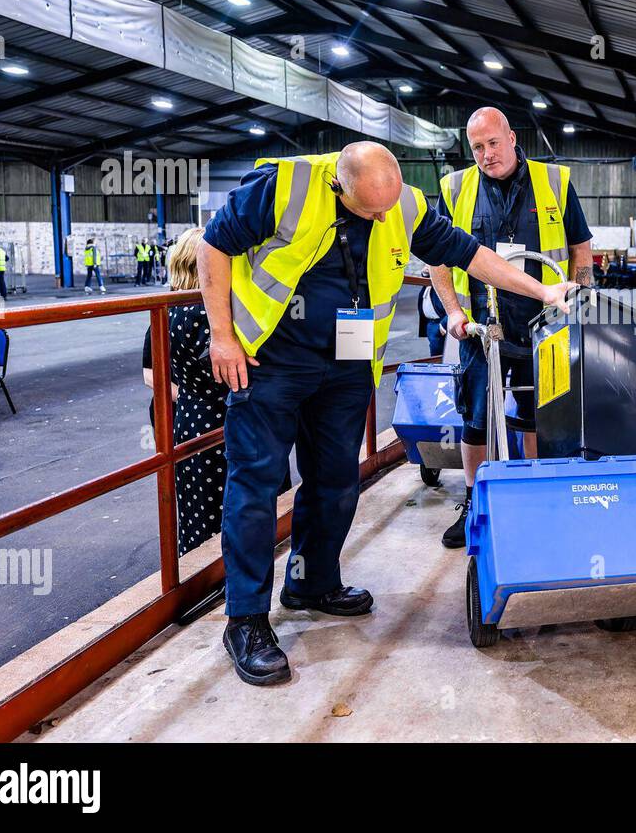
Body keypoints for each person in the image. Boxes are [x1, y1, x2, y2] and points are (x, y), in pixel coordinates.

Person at [198, 141, 574, 686]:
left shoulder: (404, 203)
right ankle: (247, 620)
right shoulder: (284, 186)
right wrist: (222, 335)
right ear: (340, 184)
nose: (382, 218)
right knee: (255, 486)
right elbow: (215, 245)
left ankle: (312, 581)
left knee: (335, 482)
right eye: (370, 210)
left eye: (387, 207)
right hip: (270, 360)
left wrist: (544, 289)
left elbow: (469, 254)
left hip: (347, 367)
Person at [428, 107, 593, 549]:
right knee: (476, 418)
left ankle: (538, 494)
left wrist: (580, 299)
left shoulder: (554, 182)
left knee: (541, 413)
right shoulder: (455, 187)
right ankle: (473, 501)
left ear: (513, 138)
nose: (486, 155)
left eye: (493, 143)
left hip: (546, 323)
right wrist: (452, 311)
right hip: (482, 327)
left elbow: (581, 247)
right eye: (477, 147)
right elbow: (438, 257)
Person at [140, 228, 230, 555]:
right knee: (228, 508)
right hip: (221, 416)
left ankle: (197, 576)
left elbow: (155, 370)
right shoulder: (210, 313)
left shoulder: (169, 310)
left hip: (189, 417)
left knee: (196, 509)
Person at [417, 269, 448, 358]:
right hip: (430, 323)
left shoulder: (445, 276)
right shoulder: (431, 275)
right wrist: (426, 271)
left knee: (441, 357)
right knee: (435, 355)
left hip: (440, 323)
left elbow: (459, 302)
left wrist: (444, 323)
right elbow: (425, 275)